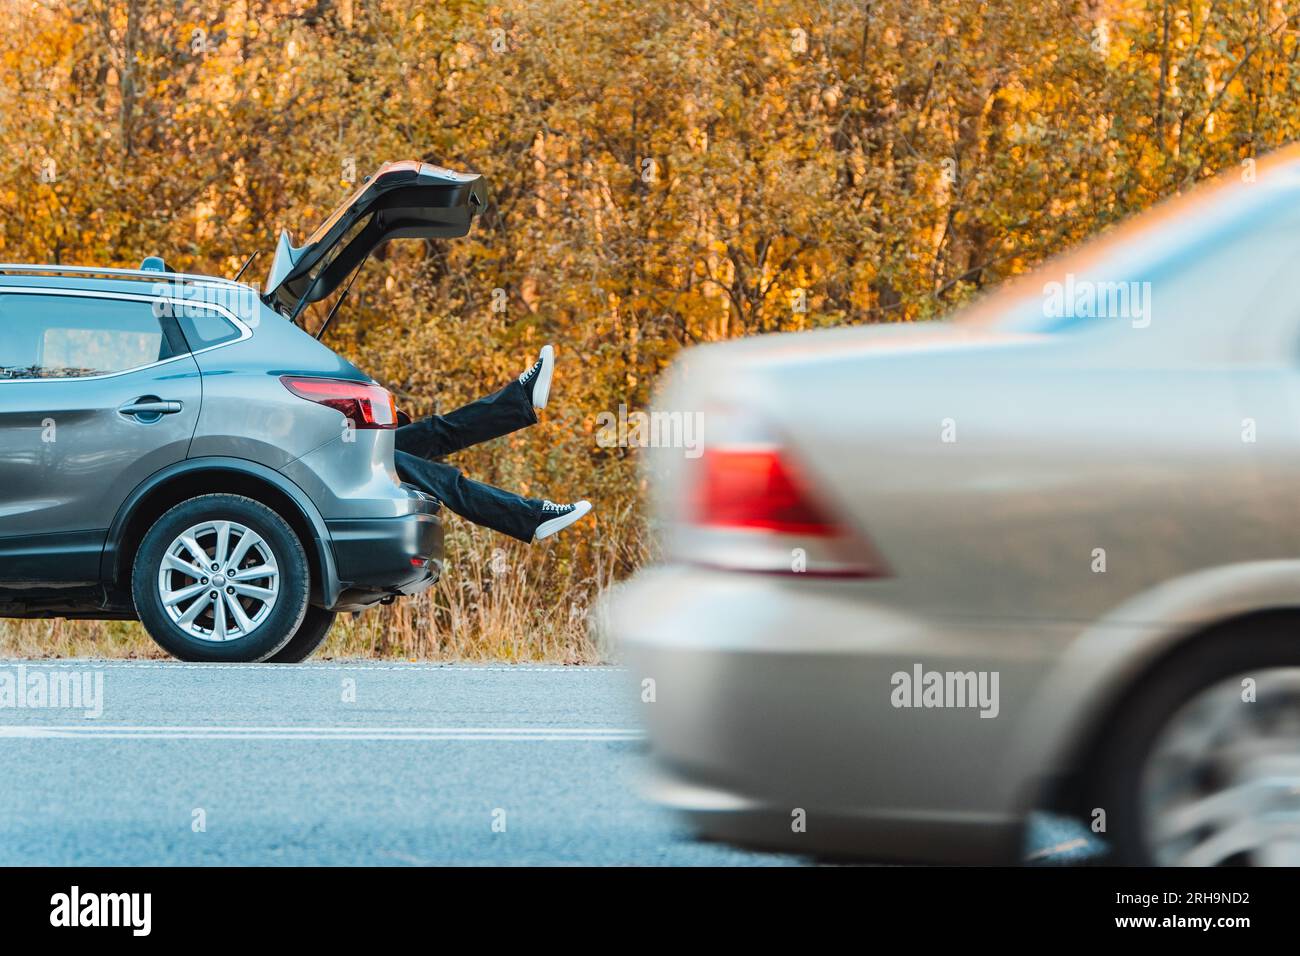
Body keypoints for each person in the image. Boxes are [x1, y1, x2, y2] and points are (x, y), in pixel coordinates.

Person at [392, 345, 593, 541]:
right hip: (360, 461)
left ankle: (522, 396)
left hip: (364, 446)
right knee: (441, 479)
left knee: (436, 431)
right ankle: (533, 516)